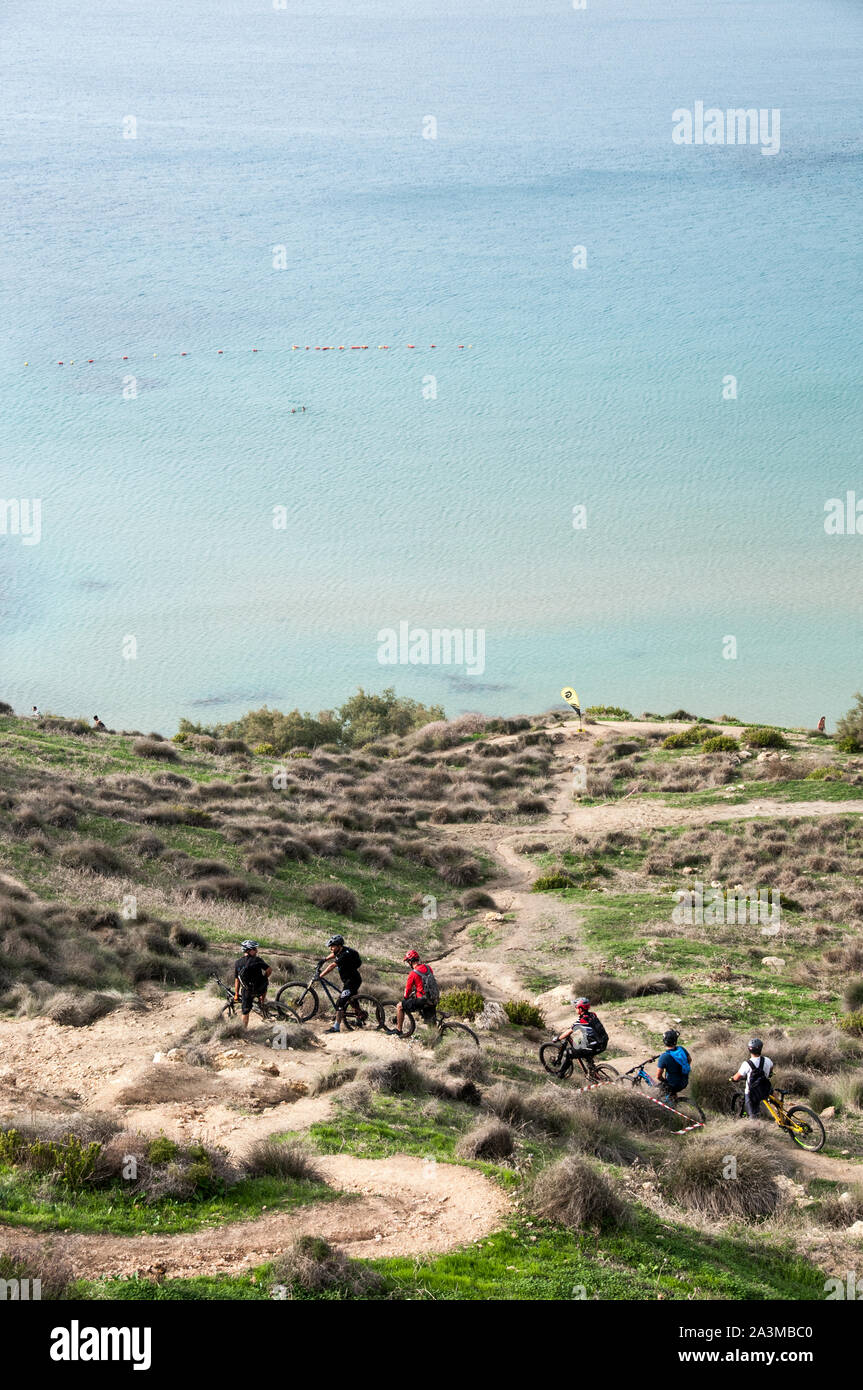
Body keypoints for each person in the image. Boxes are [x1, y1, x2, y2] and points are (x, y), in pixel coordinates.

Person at [318, 934, 365, 1033]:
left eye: (333, 946)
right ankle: (359, 1018)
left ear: (339, 946)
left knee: (340, 1003)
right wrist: (324, 959)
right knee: (351, 1000)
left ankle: (336, 1027)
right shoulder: (340, 950)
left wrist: (320, 976)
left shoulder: (345, 955)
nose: (331, 948)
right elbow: (334, 954)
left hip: (352, 982)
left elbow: (331, 966)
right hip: (351, 980)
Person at [392, 949, 438, 1035]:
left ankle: (398, 1030)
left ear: (410, 962)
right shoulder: (428, 968)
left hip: (422, 1000)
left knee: (400, 1006)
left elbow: (407, 991)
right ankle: (434, 1038)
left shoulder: (413, 973)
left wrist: (405, 998)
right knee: (431, 1023)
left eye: (407, 961)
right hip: (433, 998)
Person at [731, 1037, 774, 1118]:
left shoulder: (746, 1064)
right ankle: (779, 1112)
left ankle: (754, 1124)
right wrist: (770, 1074)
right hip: (765, 1089)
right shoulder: (767, 1060)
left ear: (749, 1049)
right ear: (761, 1048)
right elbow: (771, 1067)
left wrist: (732, 1079)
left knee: (753, 1115)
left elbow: (736, 1077)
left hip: (752, 1093)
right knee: (773, 1095)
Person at [233, 940, 272, 1029]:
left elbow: (237, 980)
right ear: (248, 950)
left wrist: (236, 994)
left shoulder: (238, 963)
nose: (256, 951)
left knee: (245, 1012)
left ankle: (243, 1031)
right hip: (260, 990)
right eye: (254, 949)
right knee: (264, 981)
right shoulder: (257, 960)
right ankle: (262, 1001)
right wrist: (264, 977)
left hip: (247, 992)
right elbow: (269, 970)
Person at [655, 1029, 692, 1105]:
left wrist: (665, 1080)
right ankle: (674, 1100)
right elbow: (689, 1060)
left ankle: (664, 1108)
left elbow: (658, 1076)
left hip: (673, 1085)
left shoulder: (664, 1057)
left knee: (655, 1091)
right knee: (672, 1090)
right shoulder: (682, 1049)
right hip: (684, 1081)